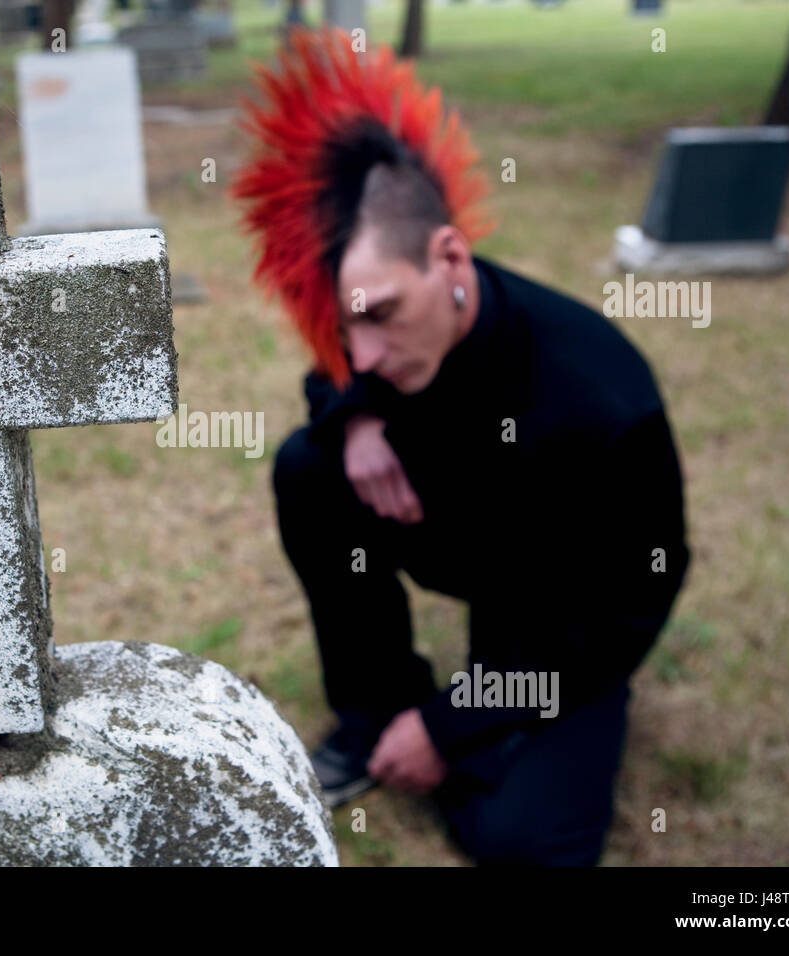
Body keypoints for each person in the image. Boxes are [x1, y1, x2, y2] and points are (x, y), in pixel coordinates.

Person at [231, 28, 690, 865]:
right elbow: (331, 375)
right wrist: (354, 421)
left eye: (378, 315)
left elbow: (628, 610)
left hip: (559, 607)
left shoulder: (602, 398)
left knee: (522, 843)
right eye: (345, 325)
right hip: (446, 530)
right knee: (308, 464)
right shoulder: (380, 338)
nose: (359, 355)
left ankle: (466, 729)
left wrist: (450, 724)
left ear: (450, 257)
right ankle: (373, 704)